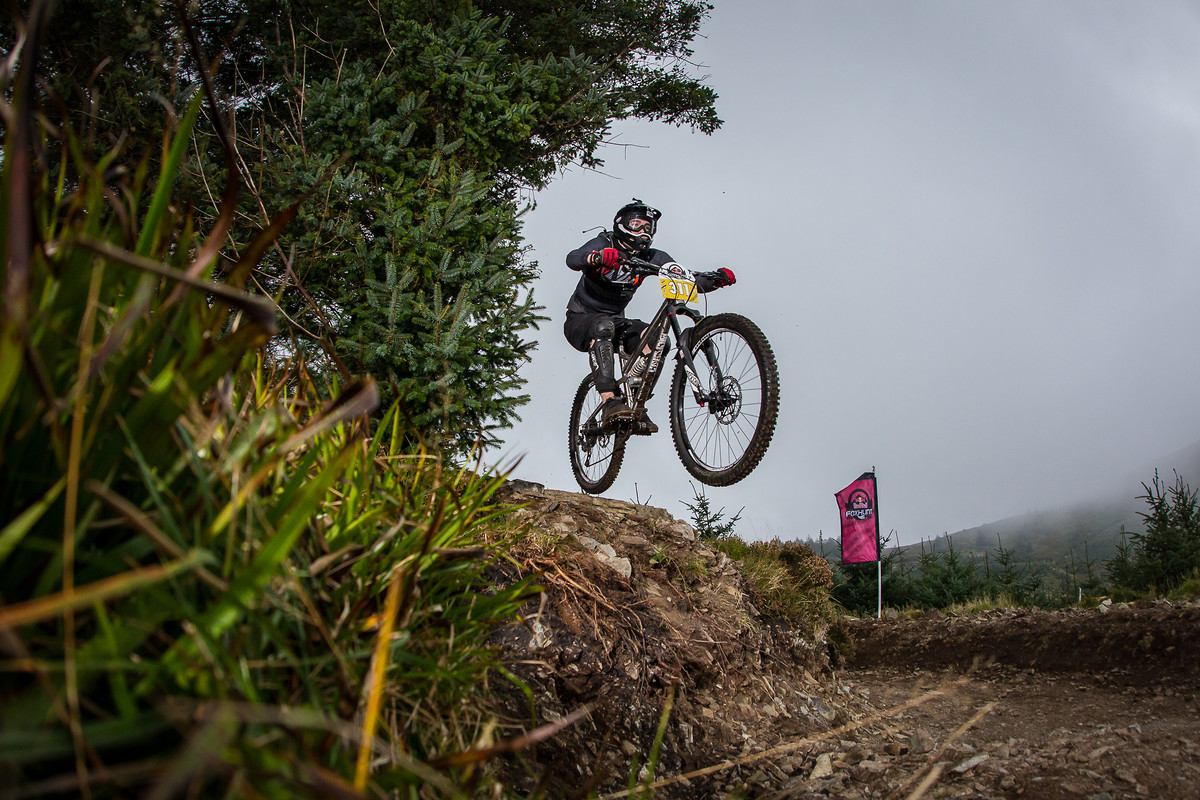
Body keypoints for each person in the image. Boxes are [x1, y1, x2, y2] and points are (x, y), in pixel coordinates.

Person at [564, 199, 736, 432]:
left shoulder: (652, 257)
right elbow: (573, 258)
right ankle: (609, 401)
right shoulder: (604, 242)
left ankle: (636, 403)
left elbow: (686, 280)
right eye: (637, 224)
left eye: (649, 227)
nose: (643, 232)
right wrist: (597, 257)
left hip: (616, 321)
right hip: (580, 320)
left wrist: (715, 281)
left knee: (656, 340)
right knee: (603, 326)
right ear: (621, 224)